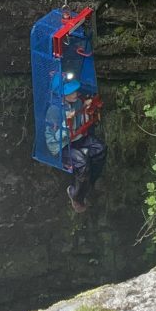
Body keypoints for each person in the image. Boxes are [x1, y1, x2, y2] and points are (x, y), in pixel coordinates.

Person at [44, 72, 107, 213]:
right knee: (82, 163)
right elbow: (53, 139)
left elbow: (80, 123)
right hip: (61, 146)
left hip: (76, 138)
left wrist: (86, 109)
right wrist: (67, 123)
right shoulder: (54, 111)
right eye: (70, 92)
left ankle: (89, 184)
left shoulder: (77, 101)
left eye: (74, 90)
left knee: (100, 148)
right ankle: (76, 196)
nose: (75, 93)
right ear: (61, 94)